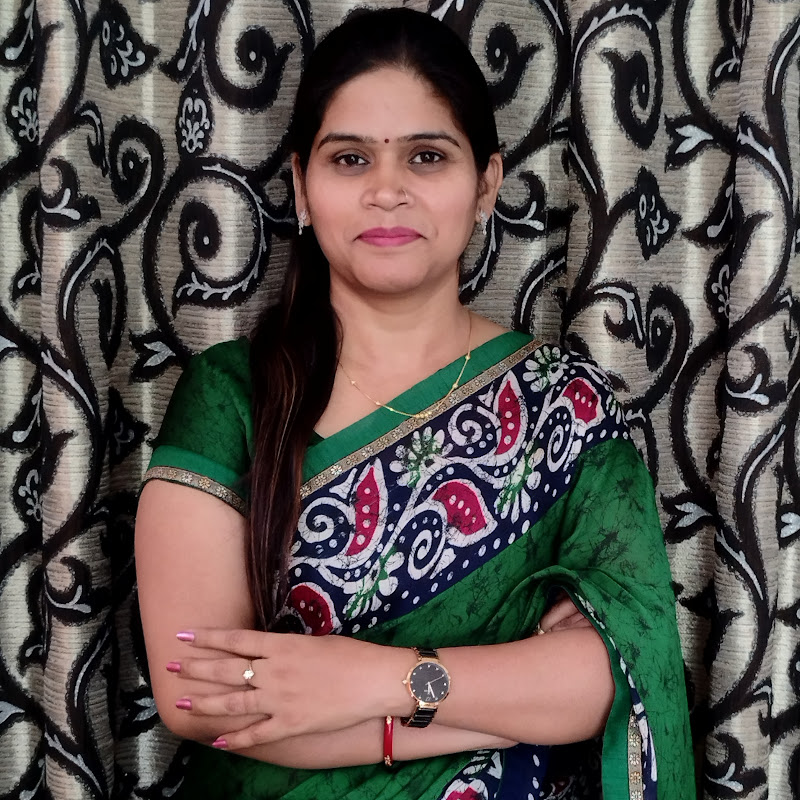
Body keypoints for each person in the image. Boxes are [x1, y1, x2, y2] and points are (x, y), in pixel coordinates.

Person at [134, 8, 694, 799]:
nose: (387, 191)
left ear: (485, 184)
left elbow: (620, 672)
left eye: (427, 157)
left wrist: (373, 680)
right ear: (300, 185)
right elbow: (203, 697)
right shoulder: (232, 398)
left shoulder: (566, 406)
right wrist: (500, 709)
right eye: (350, 158)